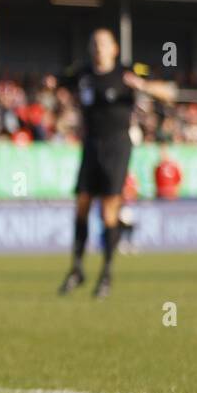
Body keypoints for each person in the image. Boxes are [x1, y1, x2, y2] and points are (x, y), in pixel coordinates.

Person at [59, 29, 175, 299]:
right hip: (91, 144)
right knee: (82, 204)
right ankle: (77, 269)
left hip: (117, 146)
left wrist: (142, 86)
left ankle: (106, 273)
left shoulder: (129, 72)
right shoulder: (83, 73)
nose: (99, 48)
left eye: (103, 44)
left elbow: (169, 92)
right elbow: (60, 82)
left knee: (108, 211)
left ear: (115, 49)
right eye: (95, 44)